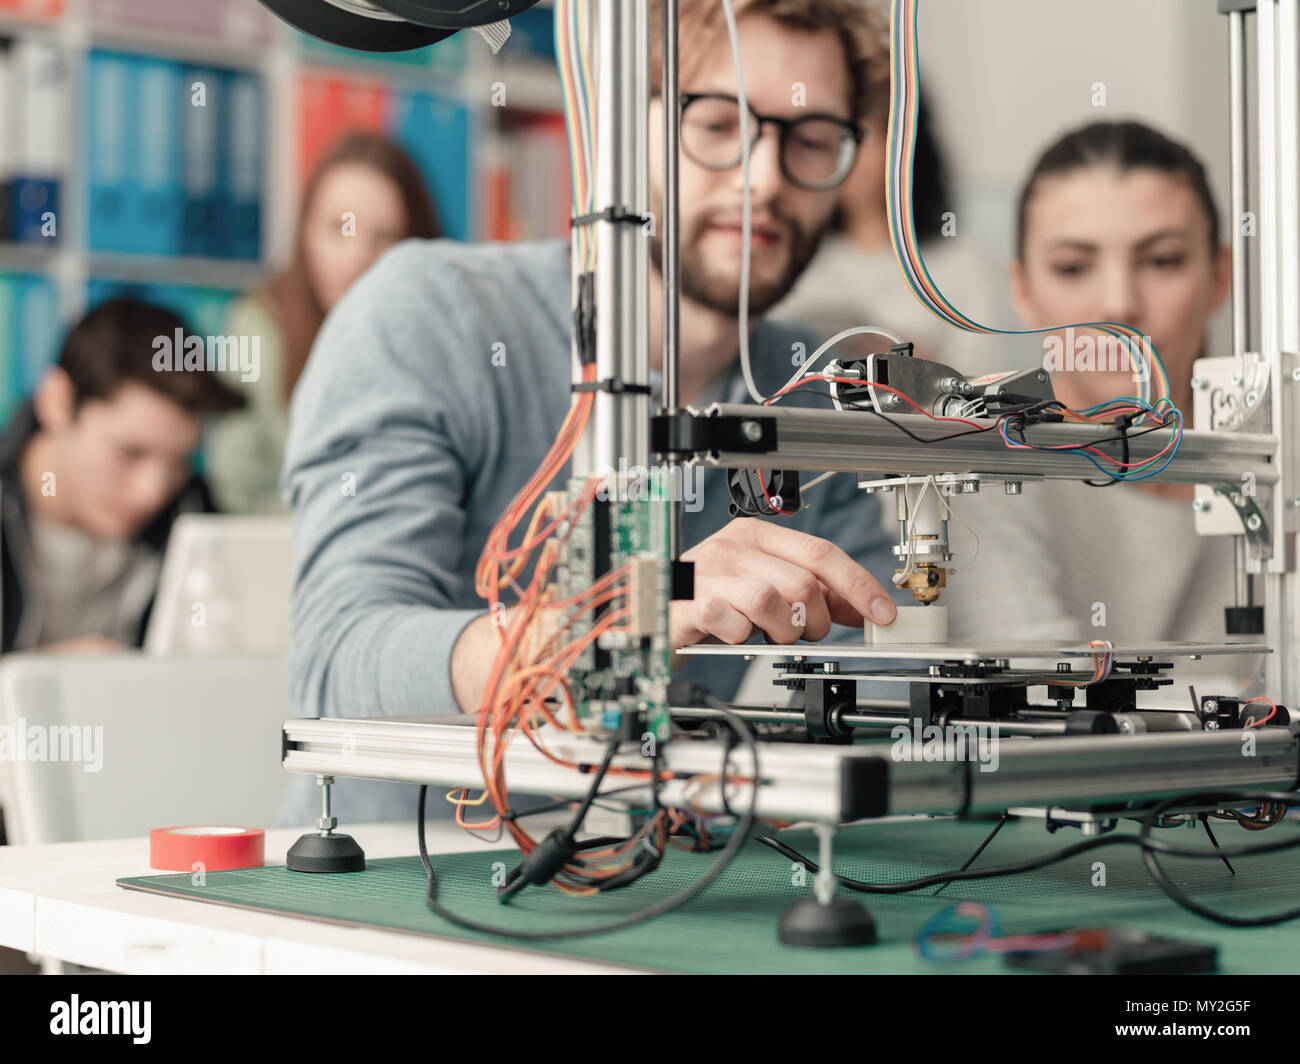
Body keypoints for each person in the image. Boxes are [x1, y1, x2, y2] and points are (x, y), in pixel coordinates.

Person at [279, 0, 906, 824]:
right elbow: (337, 665)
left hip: (662, 895)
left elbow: (873, 685)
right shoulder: (425, 313)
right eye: (716, 123)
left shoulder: (816, 386)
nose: (764, 180)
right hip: (388, 887)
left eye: (813, 138)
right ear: (617, 124)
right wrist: (611, 626)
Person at [939, 120, 1253, 702]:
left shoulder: (1271, 458)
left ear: (1220, 276)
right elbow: (1035, 692)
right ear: (1023, 290)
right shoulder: (982, 468)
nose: (1118, 303)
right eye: (1073, 267)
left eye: (1161, 260)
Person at [205, 132, 442, 514]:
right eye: (338, 228)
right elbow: (238, 492)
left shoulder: (438, 338)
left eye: (384, 237)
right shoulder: (258, 324)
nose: (357, 256)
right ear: (305, 233)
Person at [0, 297, 244, 652]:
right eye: (130, 453)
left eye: (179, 462)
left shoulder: (191, 511)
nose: (151, 493)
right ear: (57, 402)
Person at [771, 92, 1006, 376]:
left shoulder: (962, 262)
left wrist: (926, 371)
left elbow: (981, 388)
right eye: (824, 140)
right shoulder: (790, 254)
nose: (842, 156)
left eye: (859, 136)